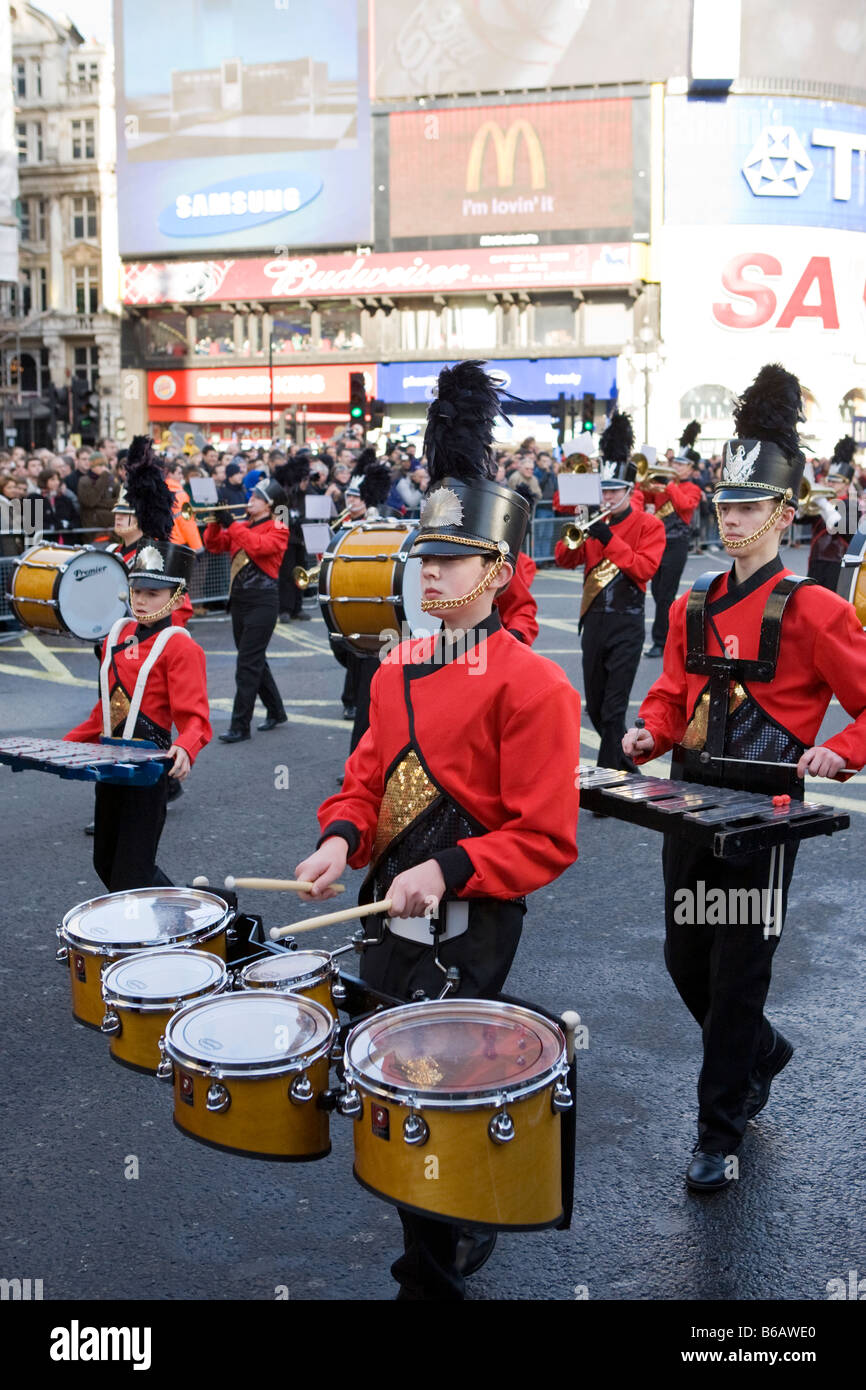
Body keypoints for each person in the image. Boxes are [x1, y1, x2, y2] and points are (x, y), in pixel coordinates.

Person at [295, 361, 581, 1300]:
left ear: (497, 571)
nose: (428, 573)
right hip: (388, 910)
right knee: (387, 1076)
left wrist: (451, 868)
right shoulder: (394, 669)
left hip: (475, 914)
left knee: (426, 1082)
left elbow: (545, 837)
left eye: (450, 559)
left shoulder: (535, 685)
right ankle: (445, 1230)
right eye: (423, 558)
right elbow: (367, 779)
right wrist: (340, 840)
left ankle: (430, 1268)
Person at [622, 363, 866, 1193]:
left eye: (749, 505)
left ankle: (718, 1132)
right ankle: (763, 1052)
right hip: (688, 799)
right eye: (725, 504)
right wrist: (646, 732)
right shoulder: (694, 601)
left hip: (764, 812)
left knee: (736, 977)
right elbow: (670, 695)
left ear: (783, 513)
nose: (733, 518)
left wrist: (842, 750)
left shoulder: (817, 608)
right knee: (685, 961)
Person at [64, 448, 211, 892]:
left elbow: (194, 717)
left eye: (151, 593)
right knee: (106, 864)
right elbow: (107, 709)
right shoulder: (116, 634)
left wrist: (185, 747)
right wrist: (63, 747)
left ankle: (186, 920)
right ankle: (181, 913)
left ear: (173, 596)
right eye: (136, 591)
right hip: (110, 765)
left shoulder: (179, 646)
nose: (141, 600)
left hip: (149, 769)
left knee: (132, 872)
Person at [554, 412, 665, 771]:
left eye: (615, 490)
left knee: (615, 707)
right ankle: (625, 765)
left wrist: (607, 538)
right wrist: (579, 524)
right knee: (597, 708)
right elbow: (563, 560)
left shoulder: (649, 524)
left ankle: (606, 780)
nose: (609, 496)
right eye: (604, 490)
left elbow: (643, 569)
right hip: (593, 623)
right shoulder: (592, 522)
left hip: (627, 621)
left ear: (629, 492)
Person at [203, 478, 289, 742]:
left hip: (263, 601)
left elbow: (258, 547)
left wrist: (231, 524)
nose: (250, 499)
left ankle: (240, 725)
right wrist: (215, 522)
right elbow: (213, 545)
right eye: (251, 495)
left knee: (247, 664)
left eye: (257, 497)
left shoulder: (278, 528)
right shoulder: (241, 526)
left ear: (269, 504)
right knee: (253, 659)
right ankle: (276, 710)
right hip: (239, 601)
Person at [644, 423, 704, 657]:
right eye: (675, 463)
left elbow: (684, 506)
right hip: (656, 543)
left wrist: (669, 485)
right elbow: (645, 494)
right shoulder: (665, 484)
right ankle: (671, 631)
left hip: (676, 544)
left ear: (690, 468)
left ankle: (660, 642)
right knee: (658, 591)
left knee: (666, 593)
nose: (675, 466)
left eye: (680, 464)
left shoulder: (692, 489)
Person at [805, 436, 858, 592]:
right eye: (829, 480)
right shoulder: (821, 500)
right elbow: (801, 520)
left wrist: (824, 506)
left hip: (836, 564)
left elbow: (846, 530)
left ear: (846, 484)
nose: (830, 484)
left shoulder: (851, 504)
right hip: (816, 561)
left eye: (835, 481)